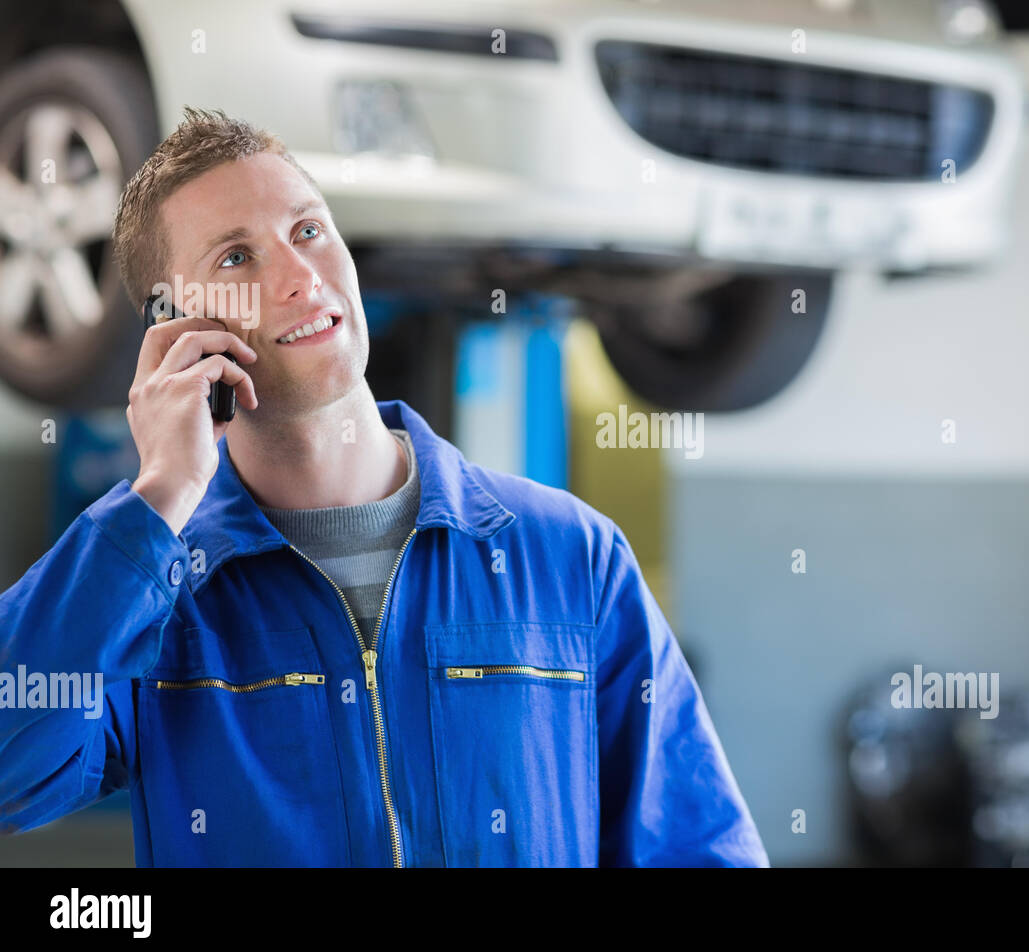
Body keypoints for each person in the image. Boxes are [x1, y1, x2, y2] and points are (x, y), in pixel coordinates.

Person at [0, 107, 768, 867]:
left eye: (308, 231)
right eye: (236, 259)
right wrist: (160, 497)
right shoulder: (156, 601)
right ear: (174, 329)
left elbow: (700, 851)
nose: (301, 277)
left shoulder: (572, 557)